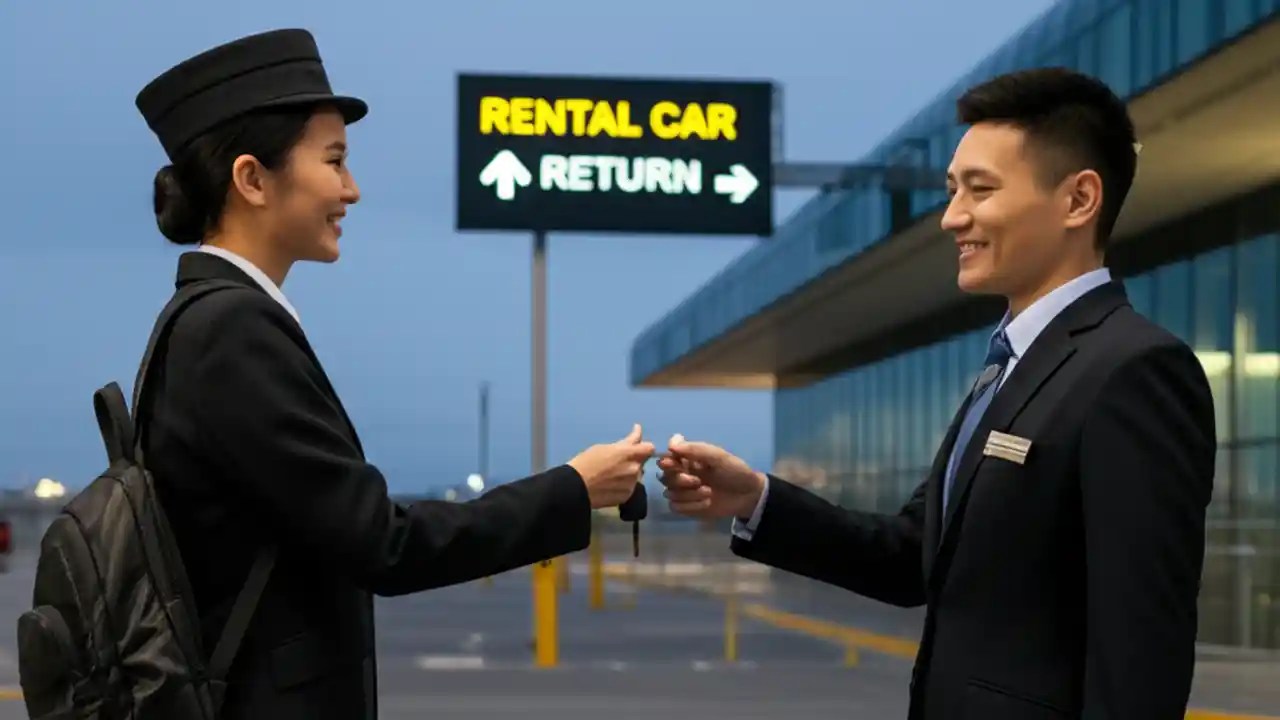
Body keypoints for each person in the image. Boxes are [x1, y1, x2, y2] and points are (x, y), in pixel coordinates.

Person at [660, 67, 1216, 719]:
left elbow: (1140, 658)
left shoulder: (1134, 371)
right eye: (953, 191)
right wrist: (756, 499)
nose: (953, 217)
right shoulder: (1008, 369)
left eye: (980, 189)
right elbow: (911, 556)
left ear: (1078, 200)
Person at [131, 29, 654, 720]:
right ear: (252, 179)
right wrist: (574, 489)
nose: (351, 189)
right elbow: (385, 543)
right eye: (334, 160)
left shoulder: (208, 320)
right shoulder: (231, 332)